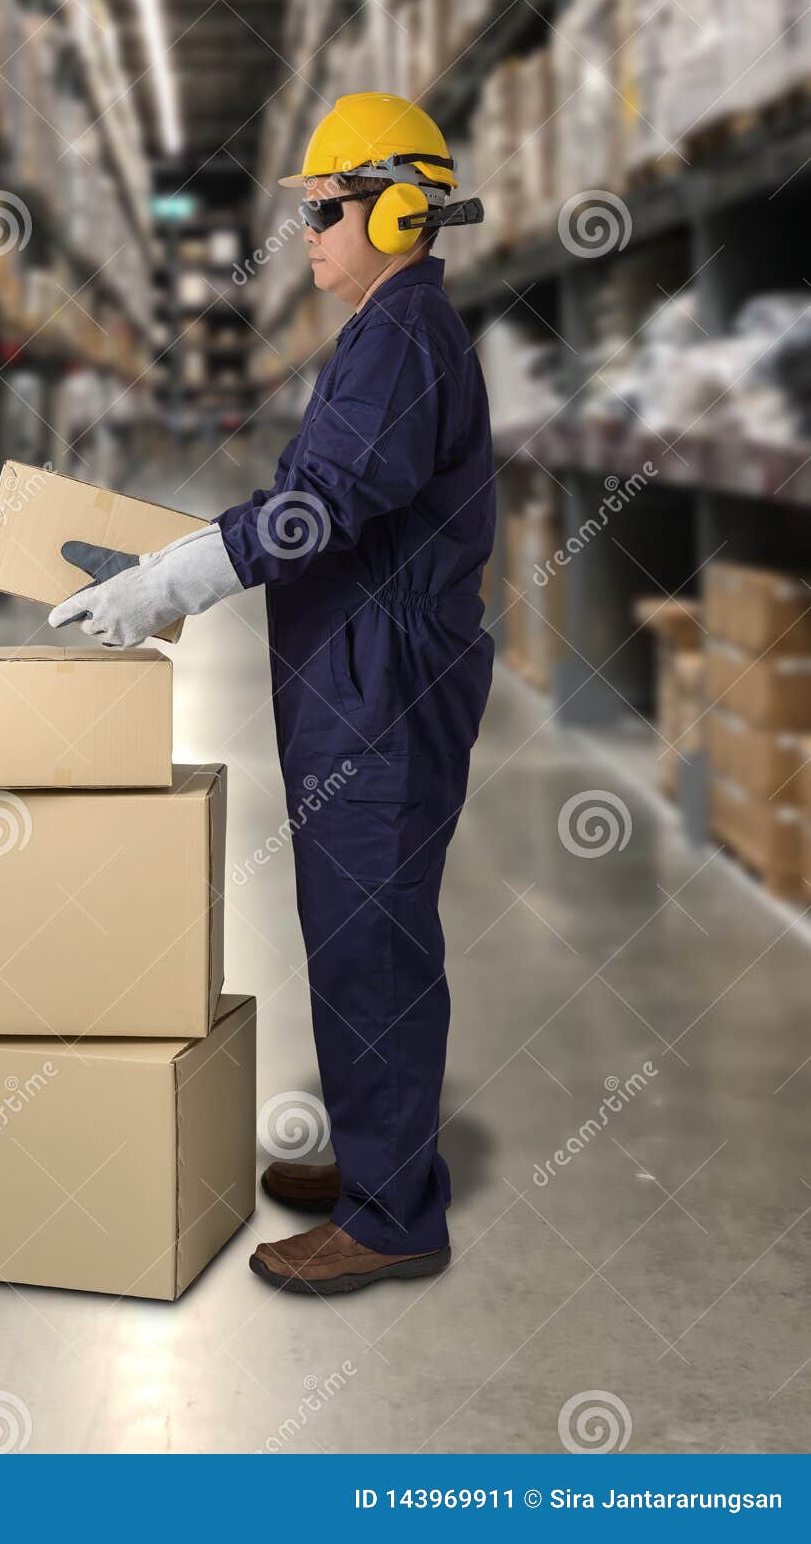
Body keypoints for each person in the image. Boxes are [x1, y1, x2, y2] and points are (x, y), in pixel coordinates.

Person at [49, 93, 495, 1296]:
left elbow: (325, 502)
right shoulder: (377, 328)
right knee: (351, 928)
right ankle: (374, 1157)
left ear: (399, 208)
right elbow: (315, 502)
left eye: (328, 207)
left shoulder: (400, 335)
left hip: (384, 687)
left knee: (372, 938)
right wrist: (178, 567)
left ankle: (394, 1214)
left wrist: (181, 576)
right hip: (359, 676)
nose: (309, 231)